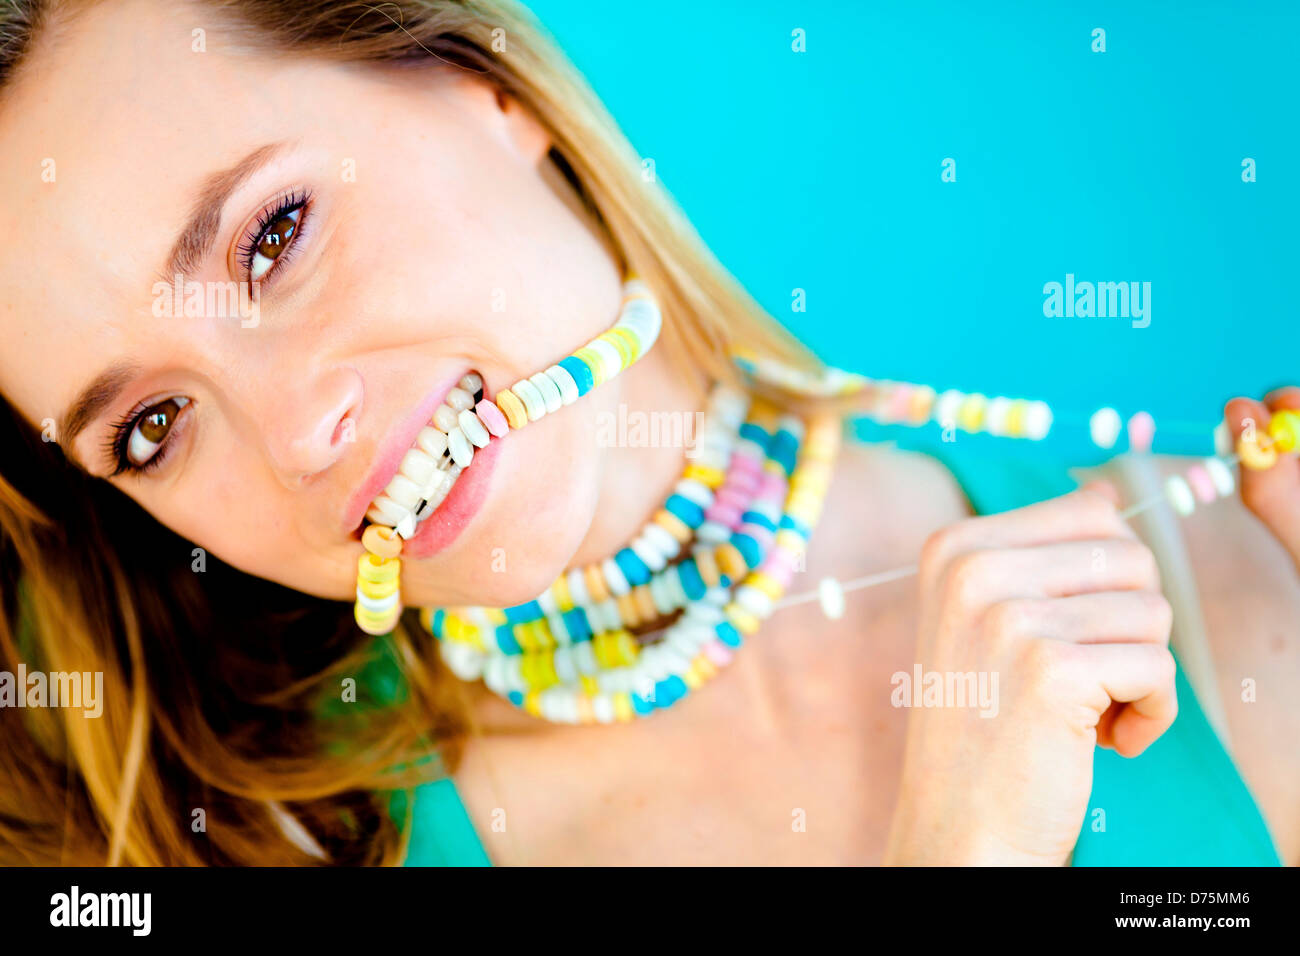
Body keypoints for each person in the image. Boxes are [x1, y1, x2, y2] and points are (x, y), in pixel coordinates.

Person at [0, 0, 1294, 866]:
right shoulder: (266, 852)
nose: (297, 437)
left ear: (477, 83)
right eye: (154, 426)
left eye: (274, 235)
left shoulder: (1250, 565)